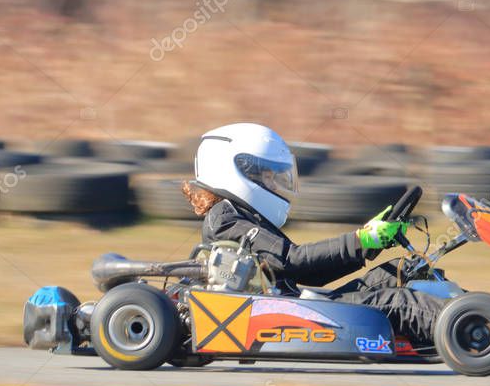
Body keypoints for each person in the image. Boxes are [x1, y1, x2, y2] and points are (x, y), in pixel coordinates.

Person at [180, 122, 444, 346]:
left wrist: (366, 244)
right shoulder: (225, 218)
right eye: (268, 177)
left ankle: (462, 314)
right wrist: (359, 240)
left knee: (402, 270)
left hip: (293, 301)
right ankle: (469, 324)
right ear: (231, 171)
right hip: (284, 312)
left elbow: (304, 272)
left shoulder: (243, 214)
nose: (274, 184)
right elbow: (291, 259)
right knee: (398, 301)